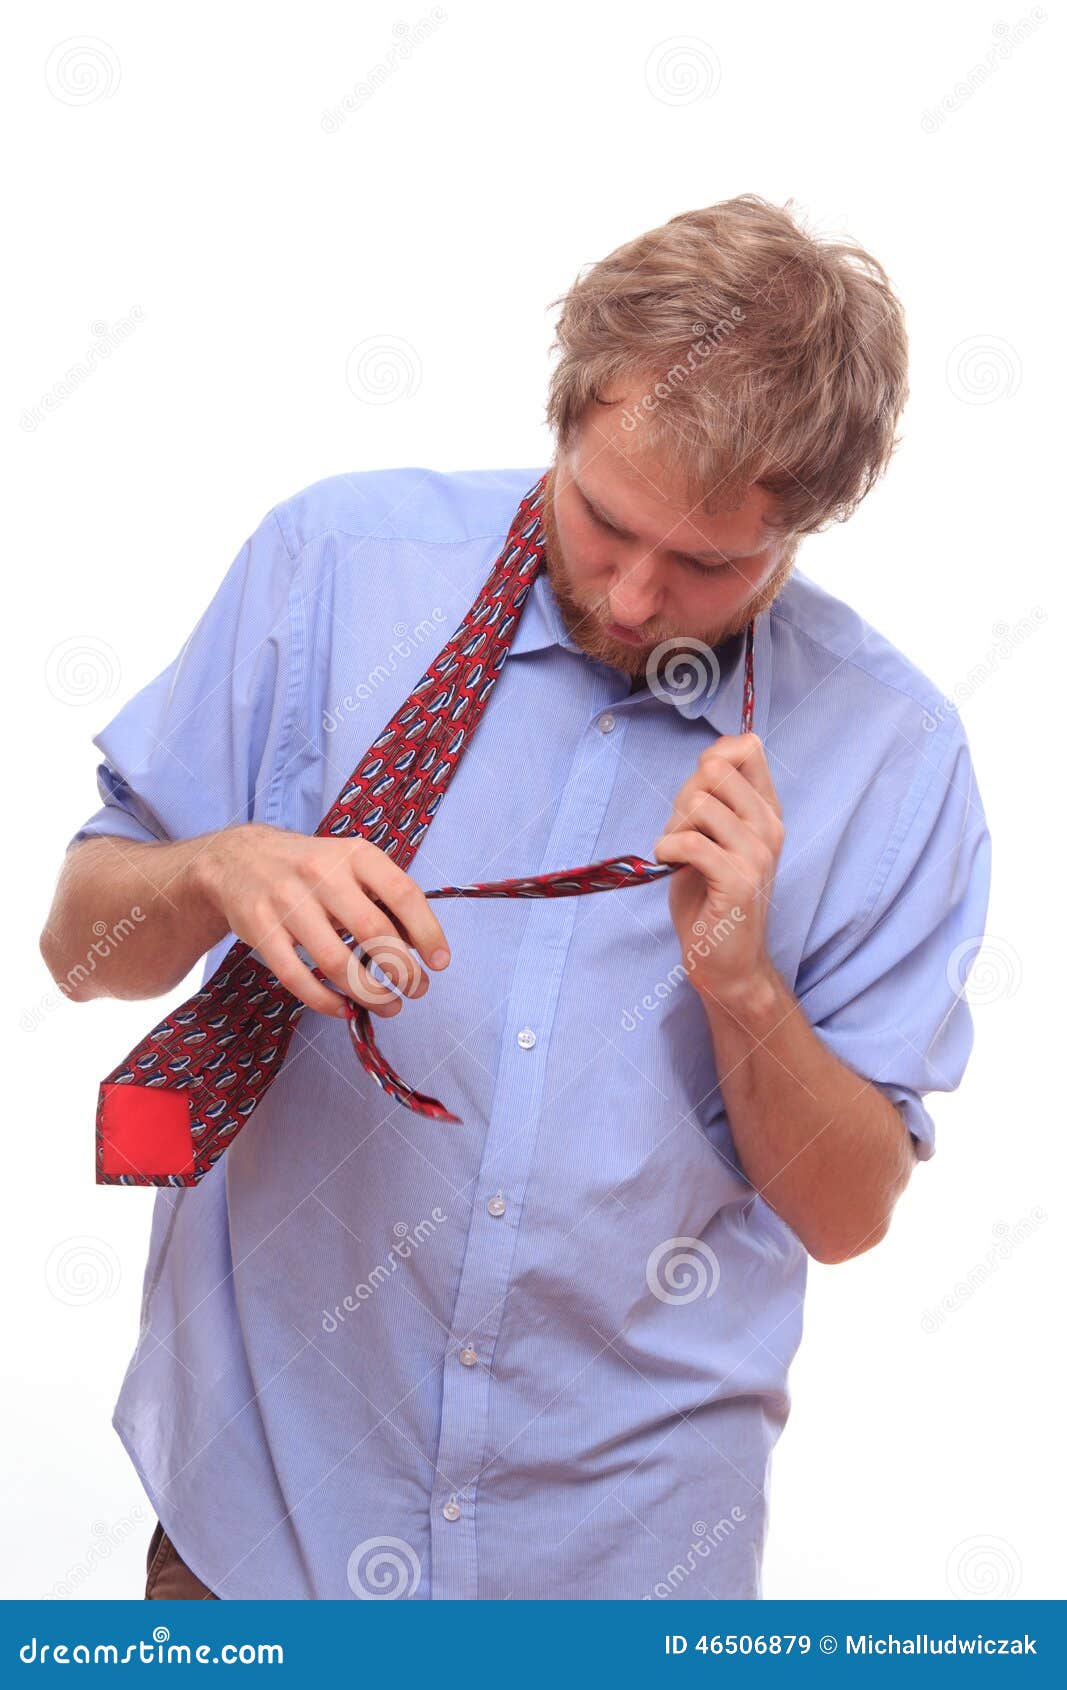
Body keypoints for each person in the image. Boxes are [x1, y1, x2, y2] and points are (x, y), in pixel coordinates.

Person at [40, 194, 991, 1601]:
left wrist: (741, 984)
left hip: (622, 1566)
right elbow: (80, 947)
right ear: (562, 419)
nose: (627, 594)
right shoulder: (333, 570)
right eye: (602, 518)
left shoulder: (894, 759)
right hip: (267, 1529)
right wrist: (214, 867)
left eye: (708, 565)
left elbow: (848, 1212)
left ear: (807, 527)